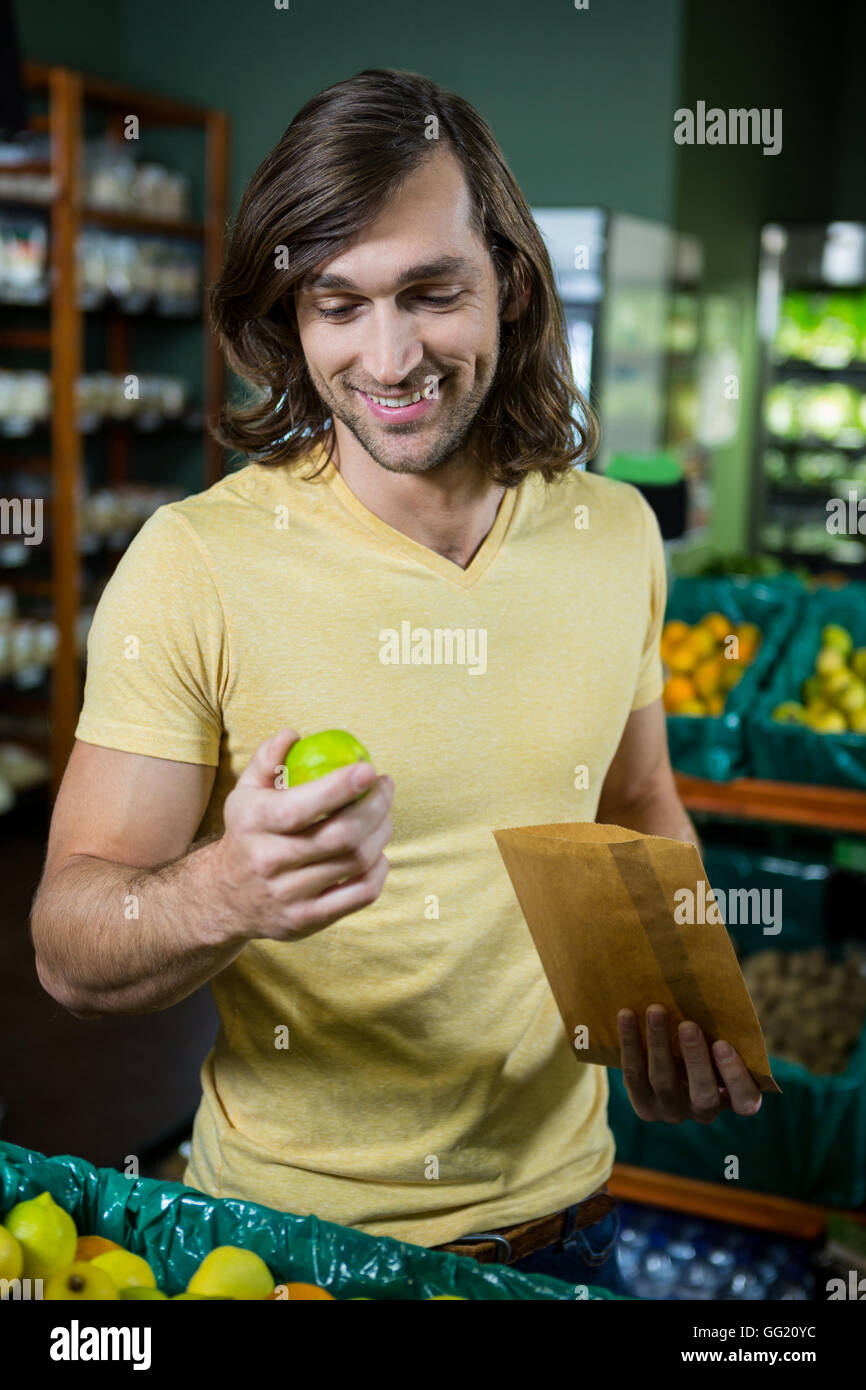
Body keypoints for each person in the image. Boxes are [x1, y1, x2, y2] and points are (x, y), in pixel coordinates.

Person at [30, 68, 762, 1294]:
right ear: (292, 315)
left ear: (509, 285)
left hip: (566, 1231)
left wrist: (673, 996)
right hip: (287, 1251)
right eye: (339, 304)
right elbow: (67, 945)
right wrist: (226, 888)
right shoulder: (195, 563)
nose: (389, 354)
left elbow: (632, 801)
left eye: (432, 292)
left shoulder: (614, 535)